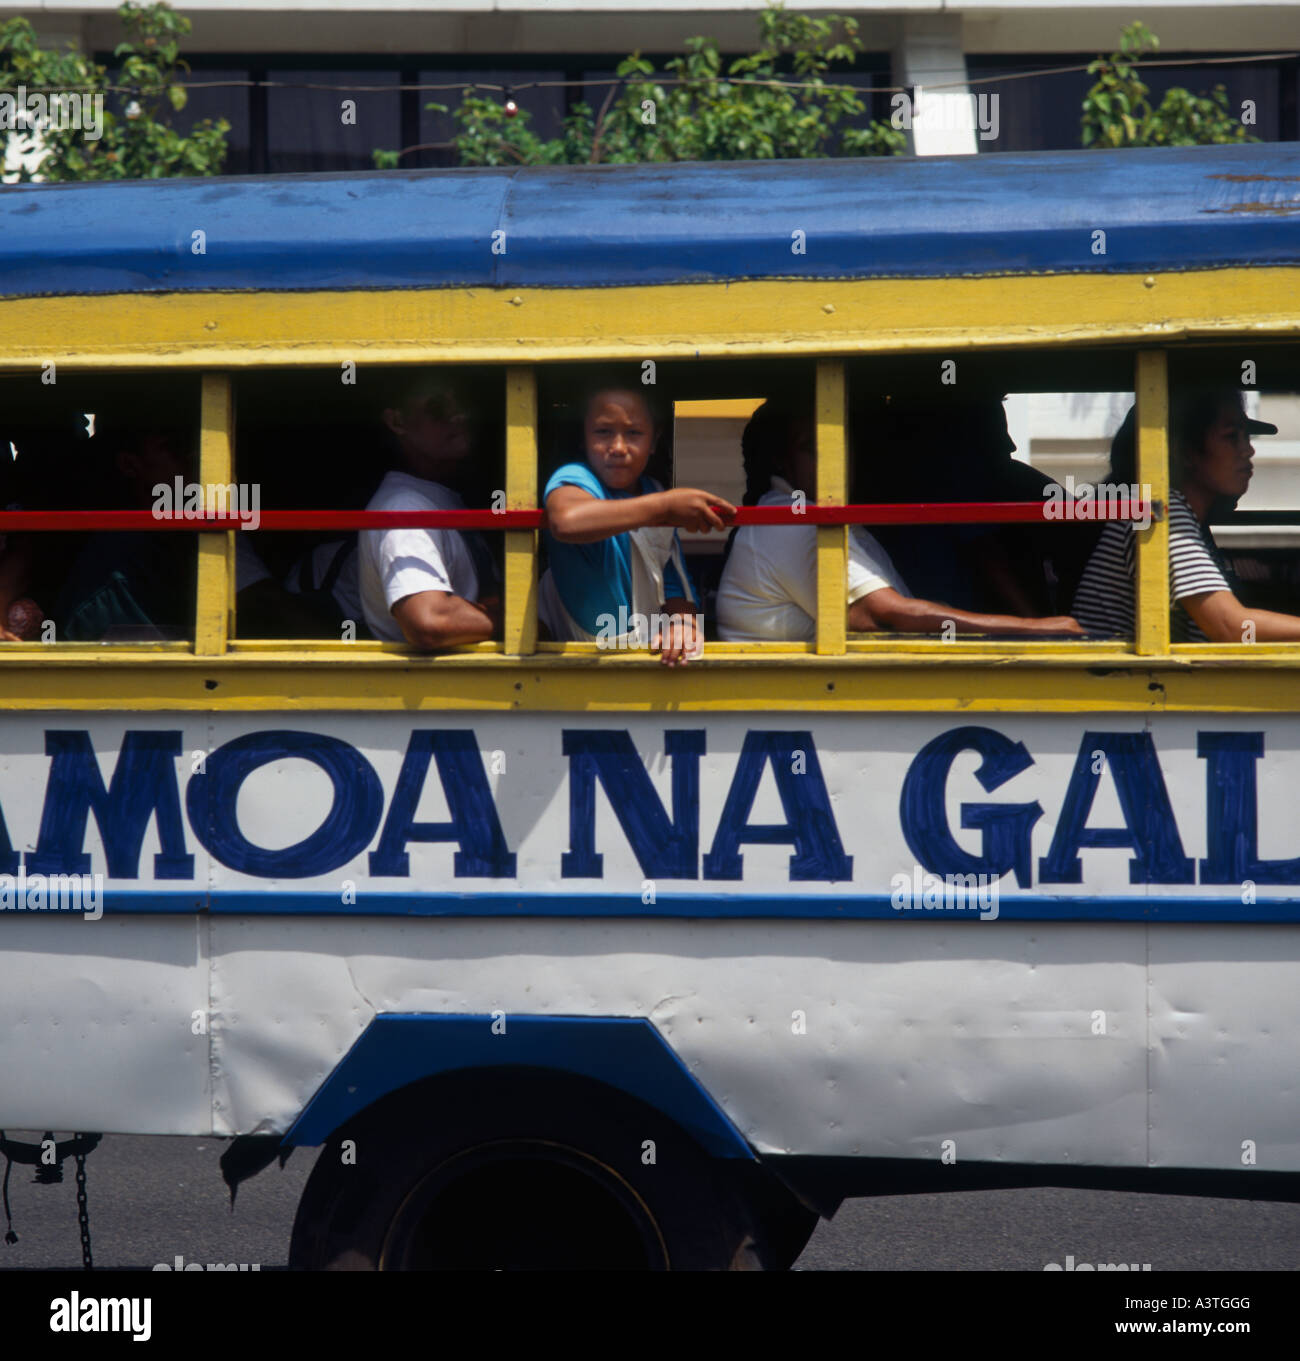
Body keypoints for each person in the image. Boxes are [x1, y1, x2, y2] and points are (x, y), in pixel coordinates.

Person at [716, 399, 1083, 641]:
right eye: (813, 446)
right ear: (781, 460)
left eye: (843, 443)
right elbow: (881, 616)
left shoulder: (823, 515)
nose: (835, 459)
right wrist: (1032, 628)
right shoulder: (790, 519)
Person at [1072, 387, 1300, 642]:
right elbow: (1228, 625)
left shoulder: (1184, 516)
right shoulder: (1159, 509)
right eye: (1231, 436)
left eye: (1246, 436)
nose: (1248, 450)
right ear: (1185, 451)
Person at [539, 379, 734, 666]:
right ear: (582, 437)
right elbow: (566, 521)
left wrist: (681, 625)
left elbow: (672, 583)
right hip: (579, 657)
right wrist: (665, 506)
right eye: (603, 432)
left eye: (633, 433)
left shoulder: (652, 489)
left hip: (644, 653)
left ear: (654, 441)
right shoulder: (576, 478)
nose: (618, 447)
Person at [357, 373, 501, 650]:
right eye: (438, 407)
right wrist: (525, 622)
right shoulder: (403, 508)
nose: (459, 415)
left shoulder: (438, 498)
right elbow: (430, 621)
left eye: (463, 403)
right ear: (397, 422)